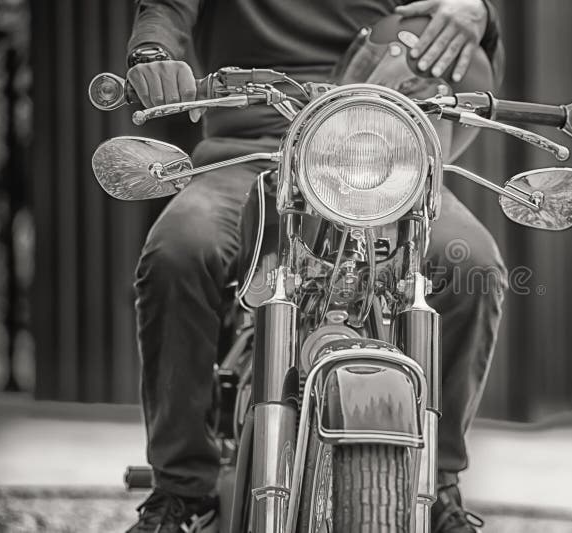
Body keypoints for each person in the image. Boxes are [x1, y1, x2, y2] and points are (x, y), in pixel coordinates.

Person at [125, 1, 507, 532]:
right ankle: (182, 489)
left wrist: (478, 13)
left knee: (476, 267)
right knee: (178, 253)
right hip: (251, 150)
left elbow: (453, 18)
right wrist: (153, 53)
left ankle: (438, 481)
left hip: (377, 158)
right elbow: (166, 8)